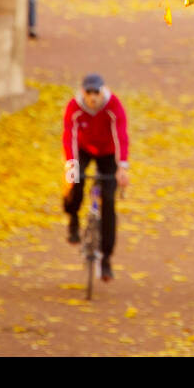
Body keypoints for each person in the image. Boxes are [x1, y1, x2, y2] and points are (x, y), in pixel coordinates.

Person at [62, 73, 130, 282]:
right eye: (88, 92)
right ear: (83, 91)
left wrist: (122, 167)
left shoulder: (113, 106)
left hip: (108, 153)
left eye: (96, 92)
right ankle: (73, 219)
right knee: (75, 184)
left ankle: (106, 259)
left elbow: (120, 135)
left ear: (103, 91)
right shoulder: (74, 107)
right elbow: (69, 136)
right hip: (83, 149)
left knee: (108, 202)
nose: (92, 97)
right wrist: (71, 165)